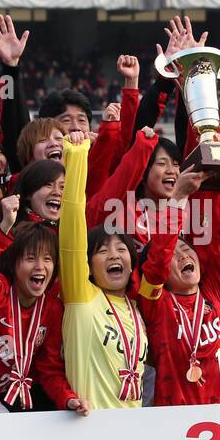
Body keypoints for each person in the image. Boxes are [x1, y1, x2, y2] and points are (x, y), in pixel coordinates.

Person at [59, 131, 154, 410]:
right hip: (89, 431)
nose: (114, 254)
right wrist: (76, 158)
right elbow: (72, 225)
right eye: (102, 250)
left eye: (122, 248)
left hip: (132, 433)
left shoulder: (136, 307)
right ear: (87, 264)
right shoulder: (82, 296)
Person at [0, 200, 85, 414]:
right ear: (13, 264)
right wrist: (4, 227)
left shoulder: (52, 308)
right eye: (30, 259)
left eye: (48, 259)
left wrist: (67, 398)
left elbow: (48, 368)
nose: (40, 266)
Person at [137, 172, 220, 406]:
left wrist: (217, 178)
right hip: (174, 425)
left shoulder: (215, 291)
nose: (182, 255)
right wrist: (179, 197)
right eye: (174, 253)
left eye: (185, 248)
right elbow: (159, 256)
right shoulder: (155, 304)